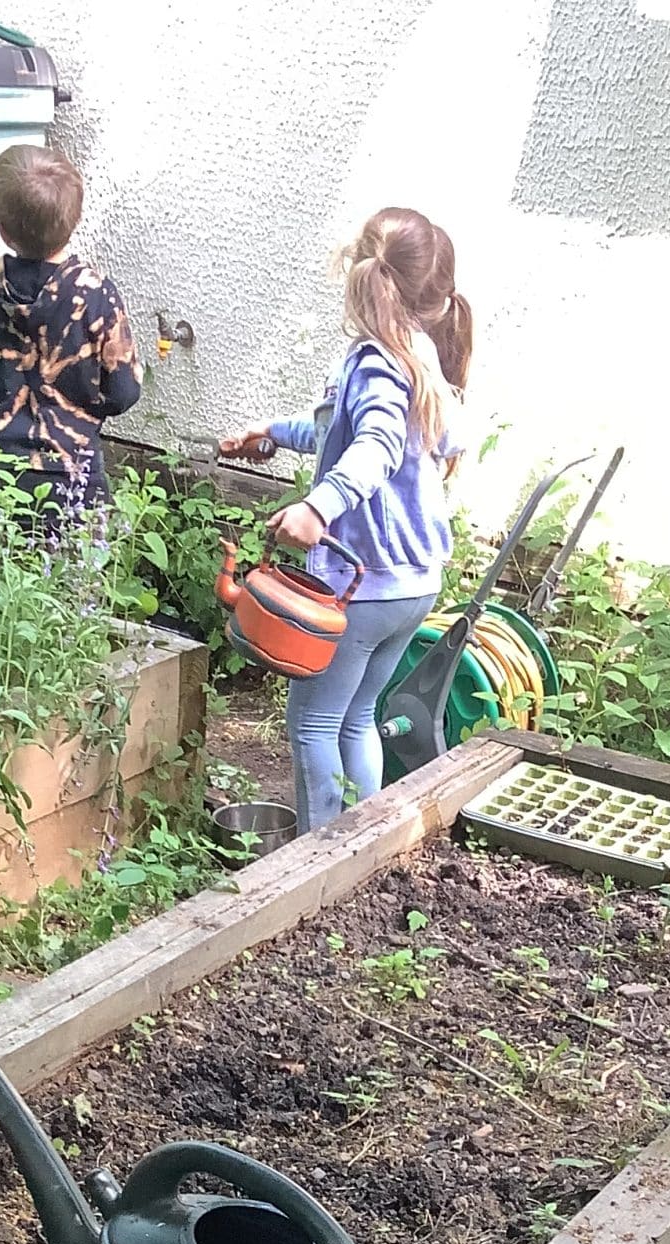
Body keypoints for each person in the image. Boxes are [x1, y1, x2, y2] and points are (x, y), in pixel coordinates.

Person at [221, 207, 472, 832]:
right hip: (412, 584)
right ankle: (362, 846)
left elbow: (378, 446)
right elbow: (348, 432)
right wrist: (276, 434)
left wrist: (317, 505)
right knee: (357, 717)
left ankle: (315, 867)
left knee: (312, 724)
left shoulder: (374, 362)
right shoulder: (419, 357)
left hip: (361, 587)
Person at [0, 144, 141, 528]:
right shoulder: (95, 294)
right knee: (75, 581)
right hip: (76, 475)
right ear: (75, 218)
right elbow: (124, 392)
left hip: (1, 473)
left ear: (2, 230)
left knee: (4, 578)